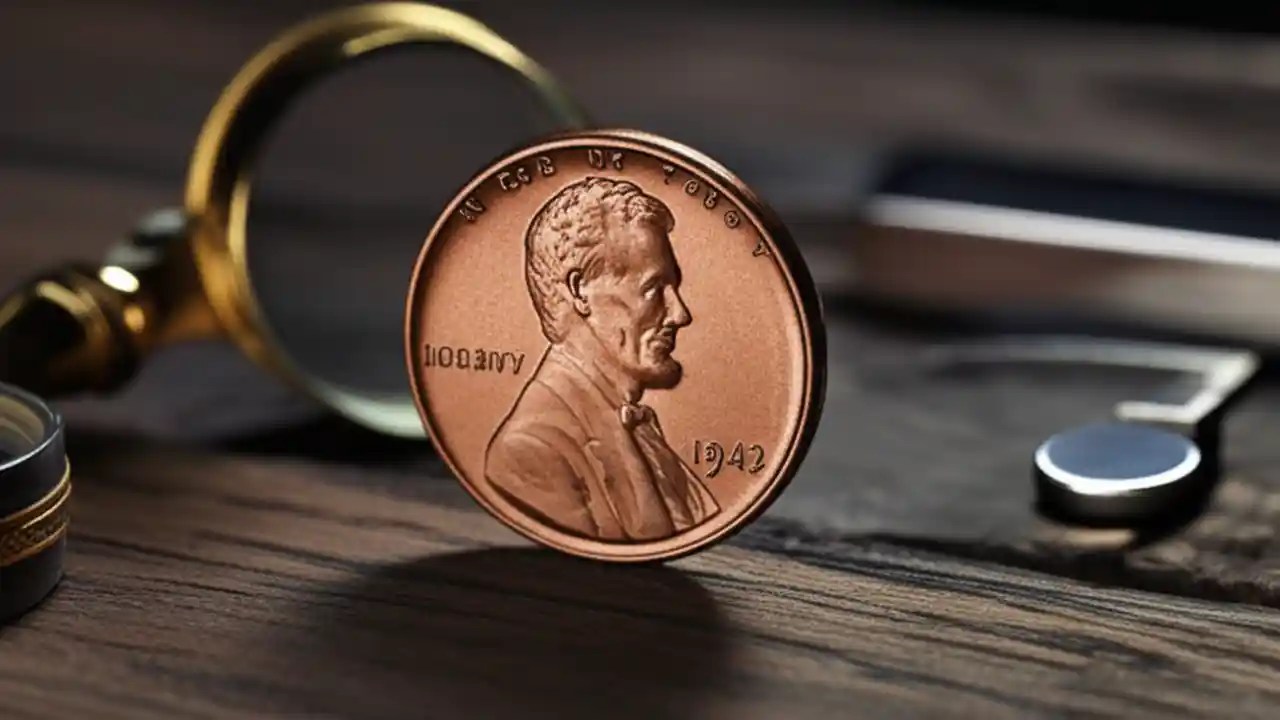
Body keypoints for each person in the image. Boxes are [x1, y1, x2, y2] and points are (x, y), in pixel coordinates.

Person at [484, 176, 721, 541]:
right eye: (654, 289)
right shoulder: (531, 449)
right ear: (581, 292)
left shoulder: (640, 429)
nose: (680, 313)